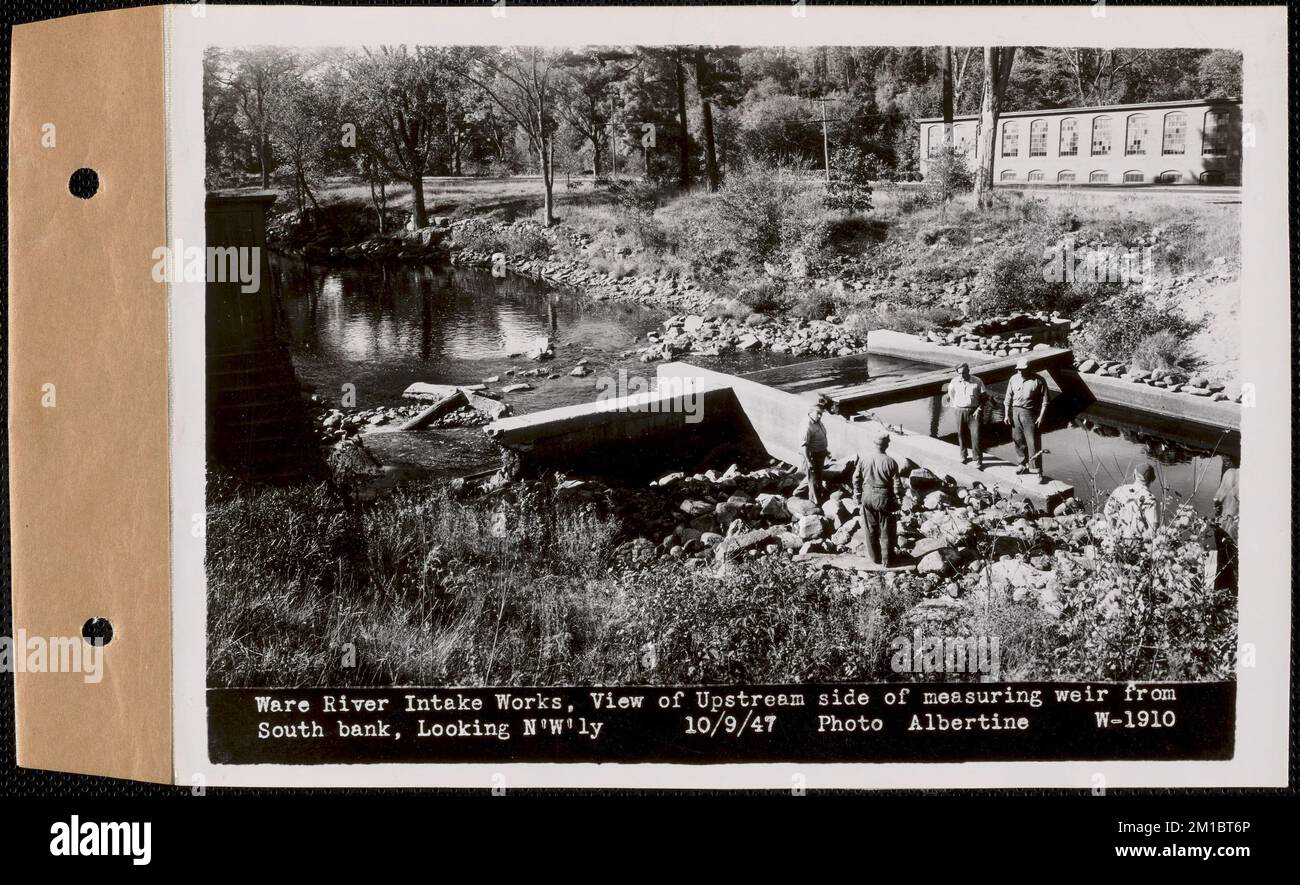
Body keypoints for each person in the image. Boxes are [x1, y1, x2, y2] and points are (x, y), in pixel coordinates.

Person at [853, 431, 900, 567]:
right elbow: (897, 485)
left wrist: (857, 494)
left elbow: (856, 478)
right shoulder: (891, 462)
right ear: (887, 445)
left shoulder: (864, 459)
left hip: (866, 496)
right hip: (884, 498)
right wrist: (898, 500)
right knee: (886, 529)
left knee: (870, 528)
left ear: (874, 444)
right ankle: (887, 560)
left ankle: (874, 558)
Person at [1003, 358, 1048, 482]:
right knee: (1017, 439)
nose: (1020, 372)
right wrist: (1006, 415)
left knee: (1033, 442)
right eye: (1018, 369)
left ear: (1029, 369)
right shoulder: (1013, 379)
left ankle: (1037, 470)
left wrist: (1041, 416)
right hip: (1015, 412)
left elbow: (1045, 401)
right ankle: (1022, 464)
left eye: (1022, 369)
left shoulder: (1038, 380)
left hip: (1030, 413)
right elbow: (1008, 398)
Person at [1103, 463, 1160, 546]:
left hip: (1116, 541)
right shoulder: (1151, 499)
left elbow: (1107, 512)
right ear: (1153, 479)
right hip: (1137, 546)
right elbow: (1153, 529)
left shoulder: (1120, 490)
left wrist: (1113, 535)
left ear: (1134, 475)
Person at [947, 363, 986, 467]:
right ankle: (963, 455)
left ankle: (977, 458)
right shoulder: (954, 381)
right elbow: (951, 393)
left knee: (976, 435)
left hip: (974, 411)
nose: (962, 375)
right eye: (960, 373)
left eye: (964, 372)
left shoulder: (977, 381)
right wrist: (955, 404)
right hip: (960, 410)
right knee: (961, 434)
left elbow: (984, 396)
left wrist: (979, 408)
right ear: (957, 373)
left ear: (968, 371)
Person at [1212, 460, 1239, 591]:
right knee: (1235, 565)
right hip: (1234, 529)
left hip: (1221, 526)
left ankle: (1218, 592)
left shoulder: (1229, 473)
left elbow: (1216, 501)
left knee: (1221, 563)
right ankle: (1233, 594)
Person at [801, 402, 829, 504]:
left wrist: (826, 451)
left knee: (818, 476)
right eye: (818, 413)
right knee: (812, 479)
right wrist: (808, 461)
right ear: (811, 412)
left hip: (820, 454)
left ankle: (817, 494)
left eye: (821, 413)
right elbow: (804, 446)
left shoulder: (818, 421)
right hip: (812, 456)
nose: (820, 416)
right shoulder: (806, 426)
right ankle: (815, 502)